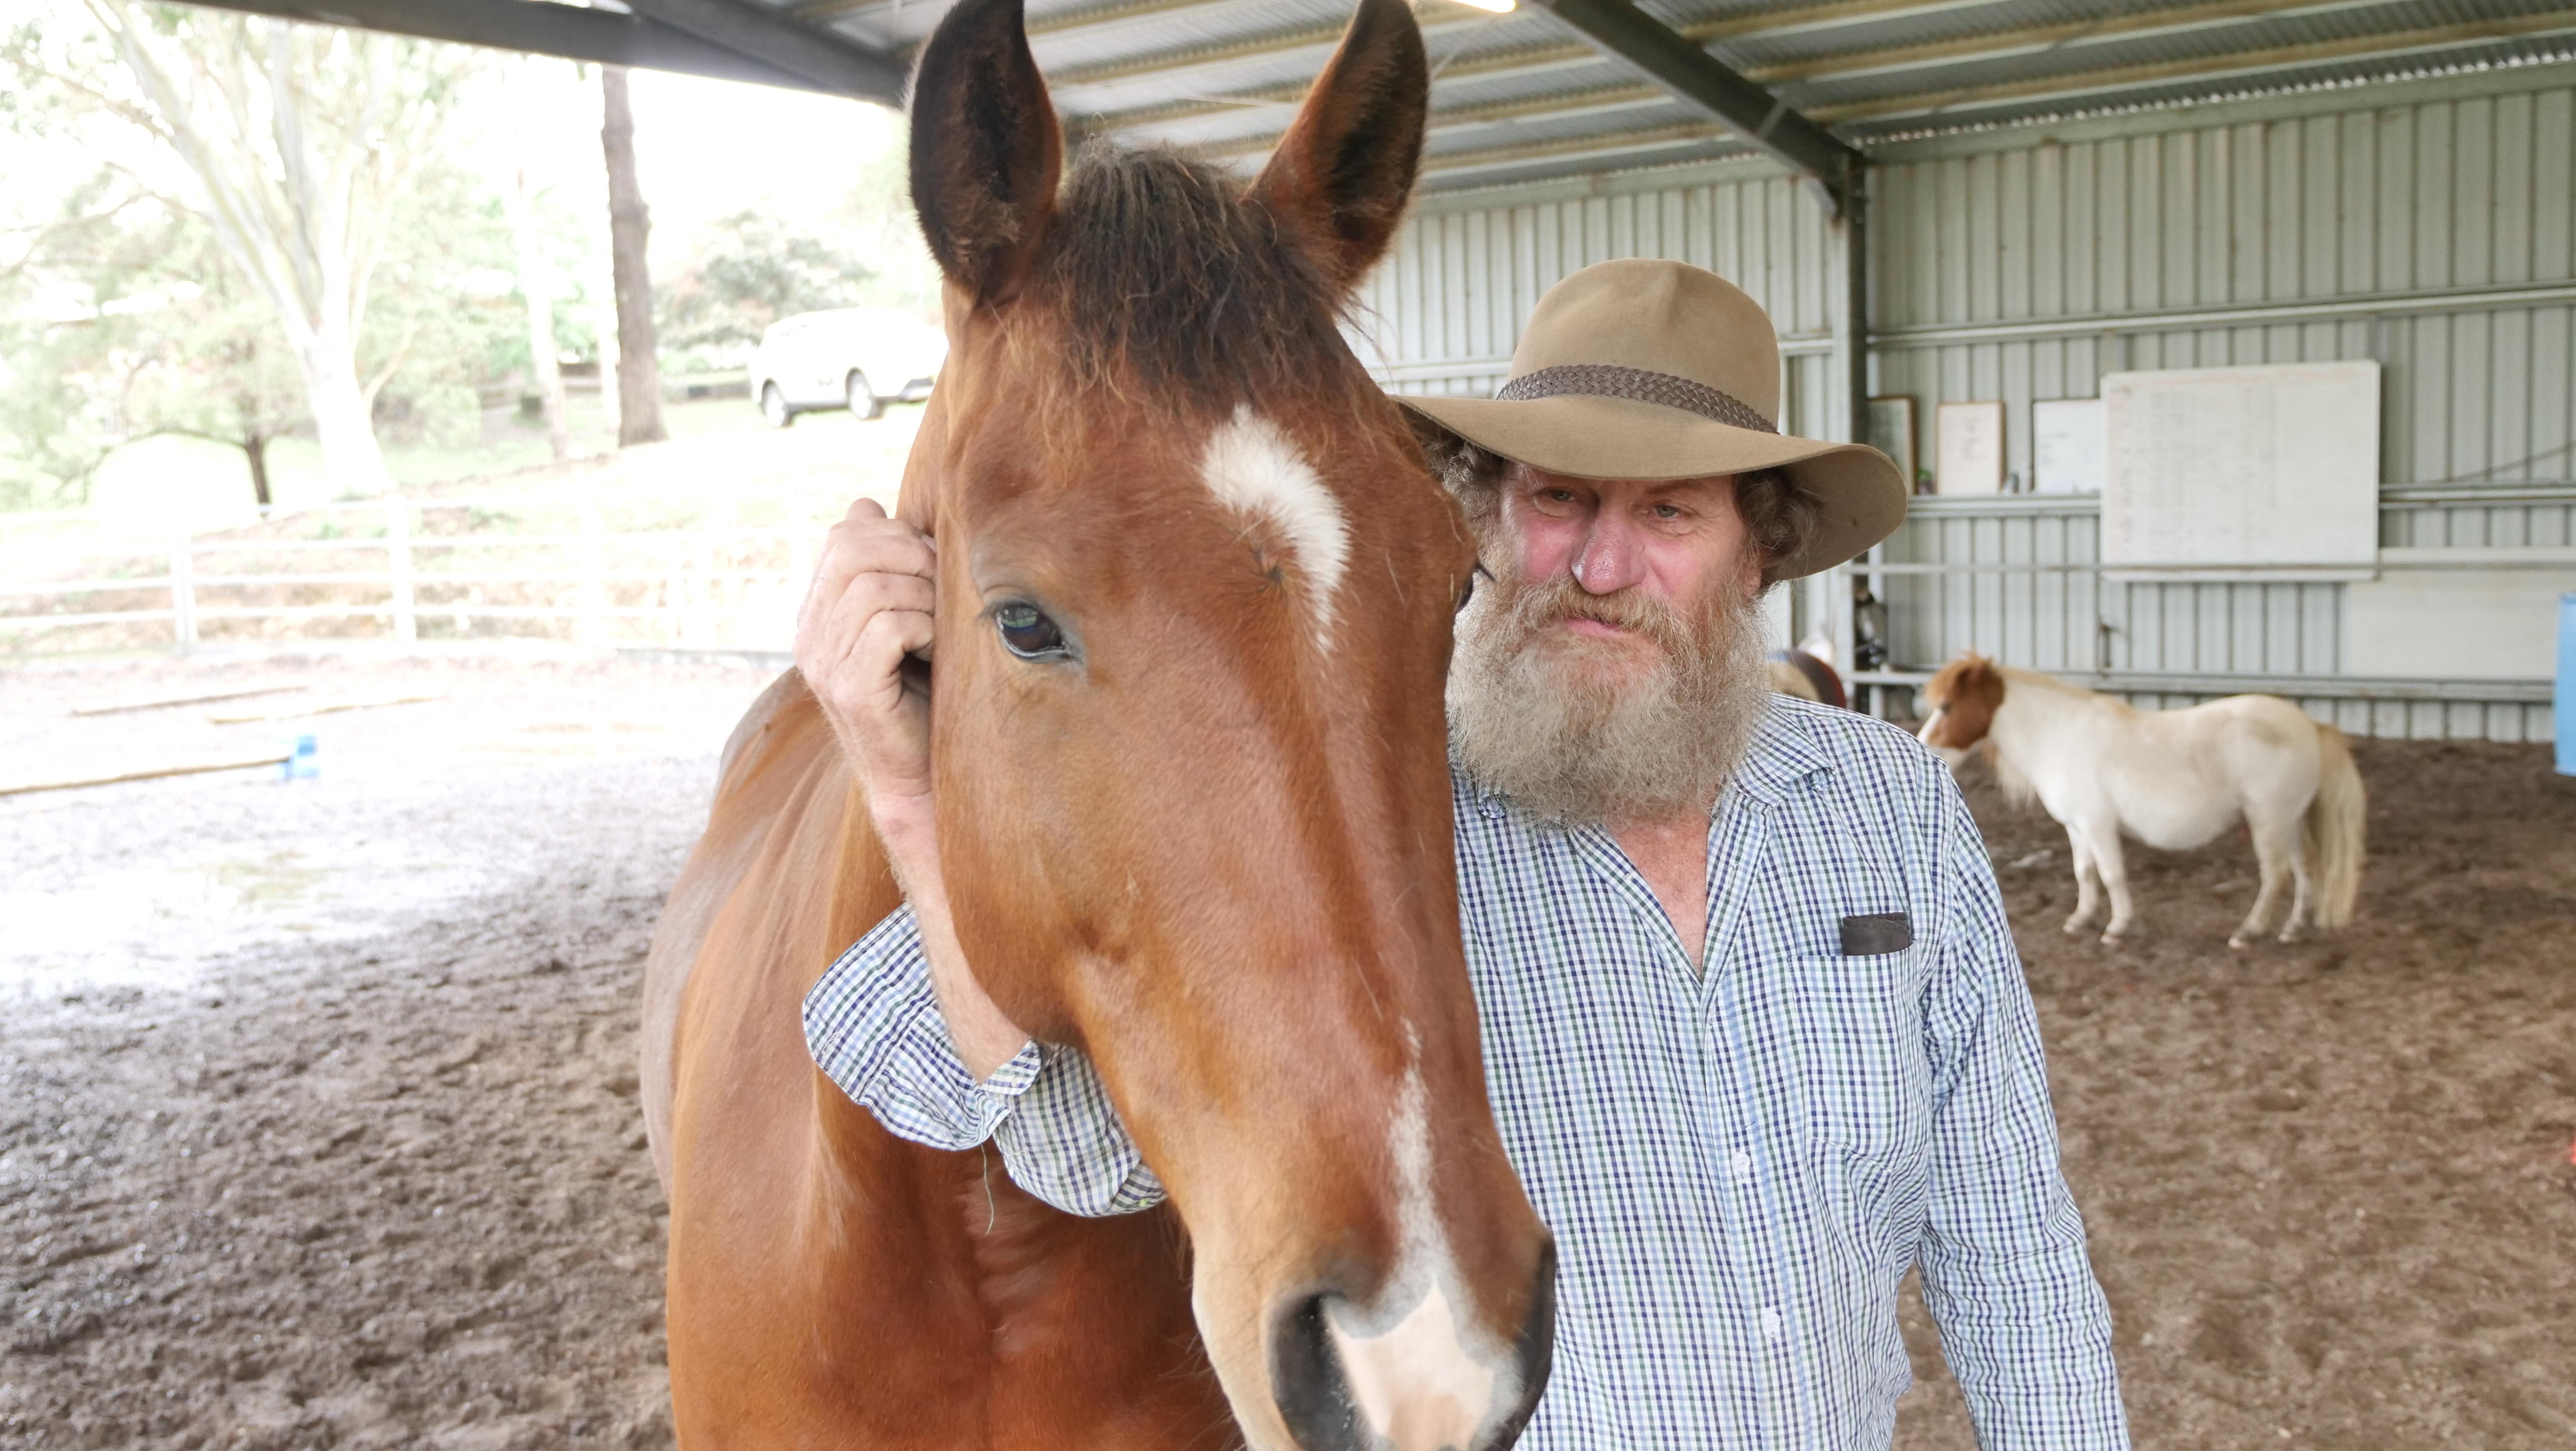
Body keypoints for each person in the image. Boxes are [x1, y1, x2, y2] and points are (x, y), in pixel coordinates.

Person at [794, 259, 2128, 1448]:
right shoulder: (1380, 811)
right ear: (1489, 515)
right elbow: (1089, 1164)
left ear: (1759, 553)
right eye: (1559, 499)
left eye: (1669, 515)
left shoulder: (1892, 809)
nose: (1600, 565)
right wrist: (908, 798)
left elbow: (2008, 1247)